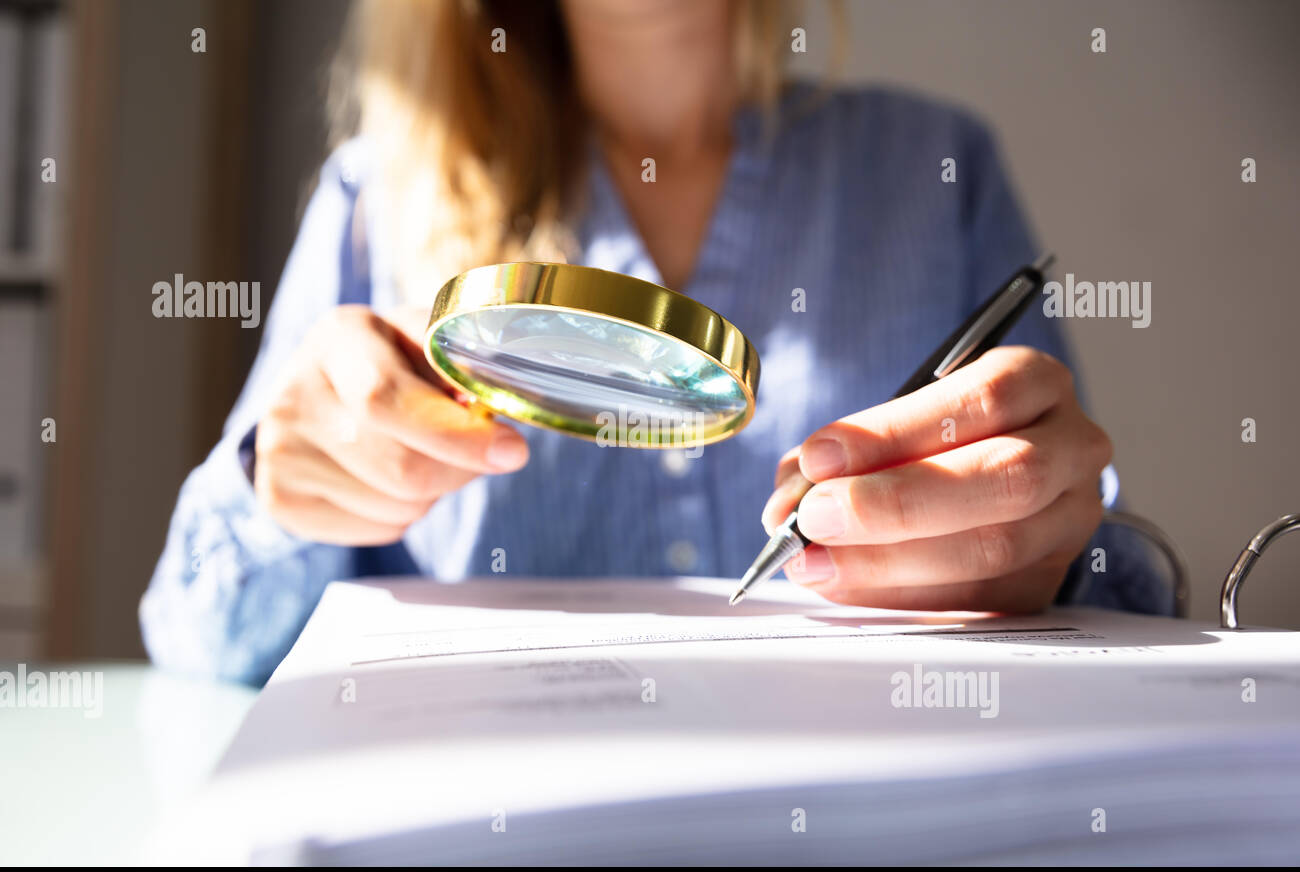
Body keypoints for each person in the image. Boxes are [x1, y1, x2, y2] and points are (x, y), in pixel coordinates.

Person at [141, 0, 1167, 685]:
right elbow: (196, 641)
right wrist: (276, 489)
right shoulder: (376, 196)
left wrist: (1053, 549)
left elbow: (1108, 593)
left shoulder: (939, 169)